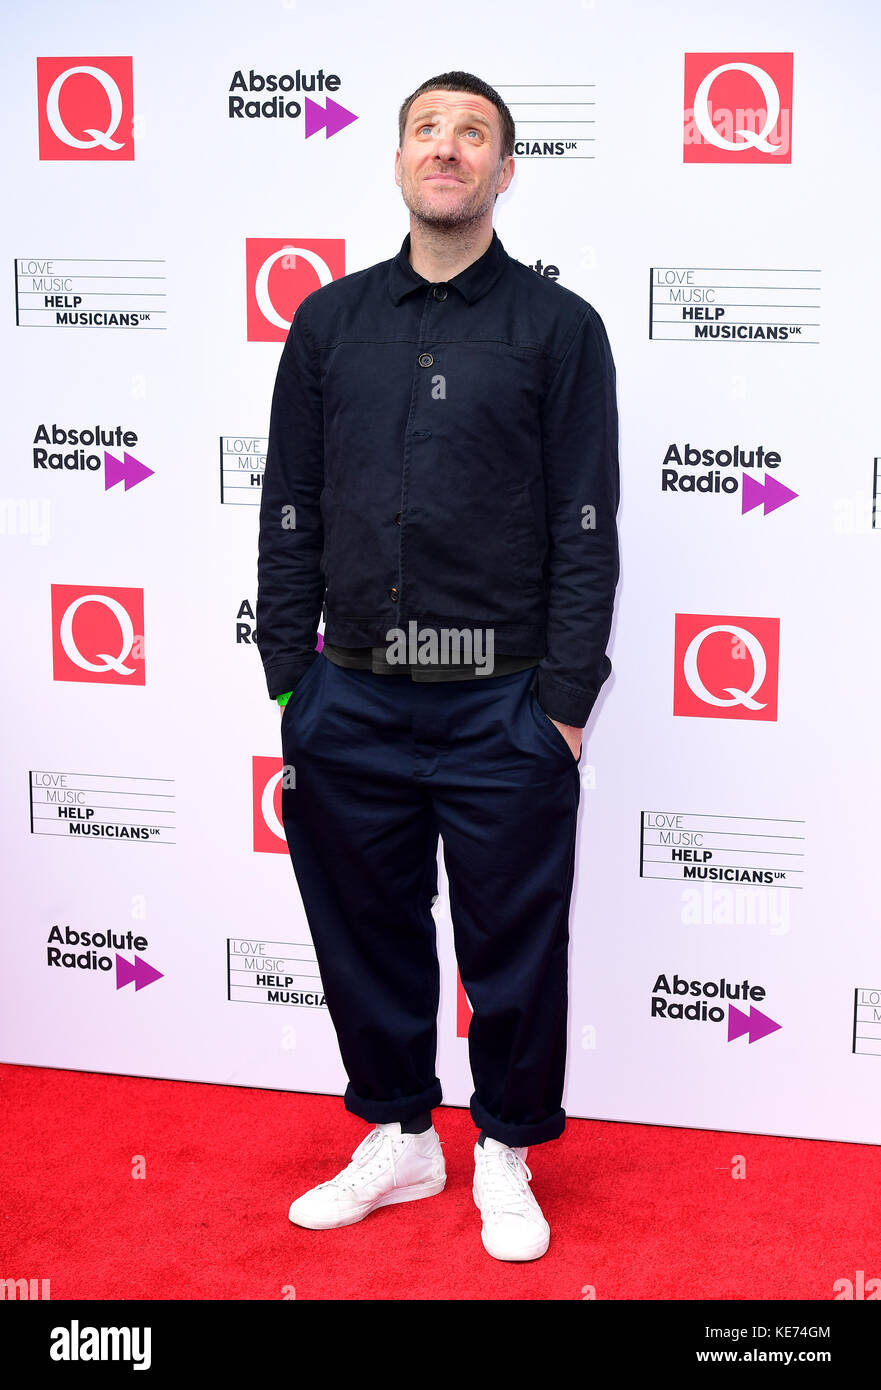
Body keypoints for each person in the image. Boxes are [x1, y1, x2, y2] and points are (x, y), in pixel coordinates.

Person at [255, 70, 620, 1263]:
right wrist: (288, 683)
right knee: (365, 931)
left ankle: (504, 1149)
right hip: (350, 694)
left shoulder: (558, 330)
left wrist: (560, 708)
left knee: (513, 942)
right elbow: (291, 506)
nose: (447, 150)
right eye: (427, 131)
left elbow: (583, 523)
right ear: (398, 161)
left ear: (506, 171)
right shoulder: (328, 321)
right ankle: (403, 1136)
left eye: (473, 135)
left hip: (500, 700)